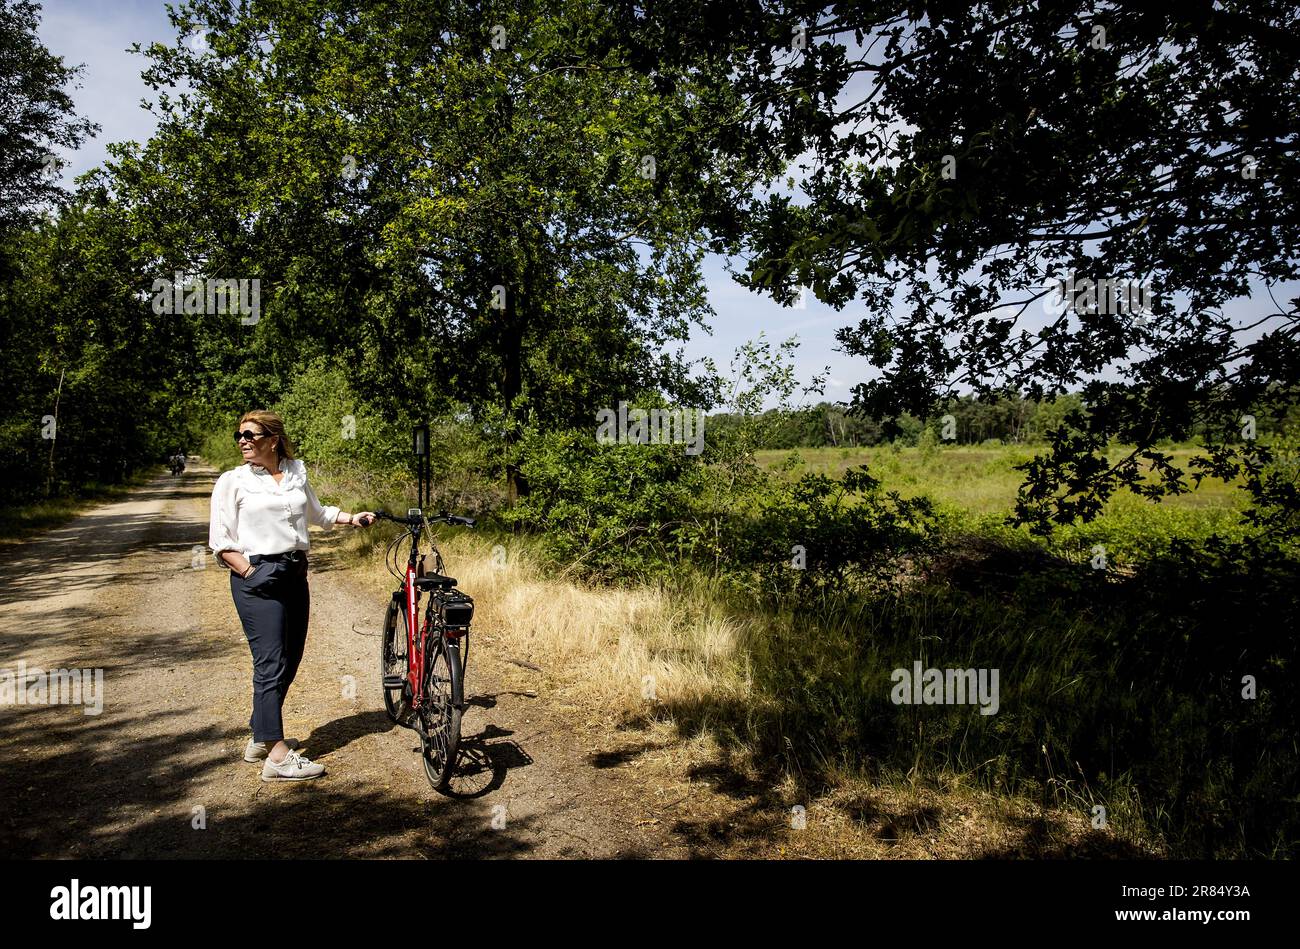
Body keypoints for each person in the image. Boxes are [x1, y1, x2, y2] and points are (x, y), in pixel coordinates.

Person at [208, 410, 376, 781]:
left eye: (250, 434)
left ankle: (260, 733)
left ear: (272, 438)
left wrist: (351, 518)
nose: (242, 441)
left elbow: (315, 512)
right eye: (239, 435)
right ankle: (277, 756)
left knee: (291, 657)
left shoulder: (296, 471)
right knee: (269, 663)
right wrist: (250, 572)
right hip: (257, 575)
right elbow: (221, 541)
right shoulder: (232, 481)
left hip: (295, 572)